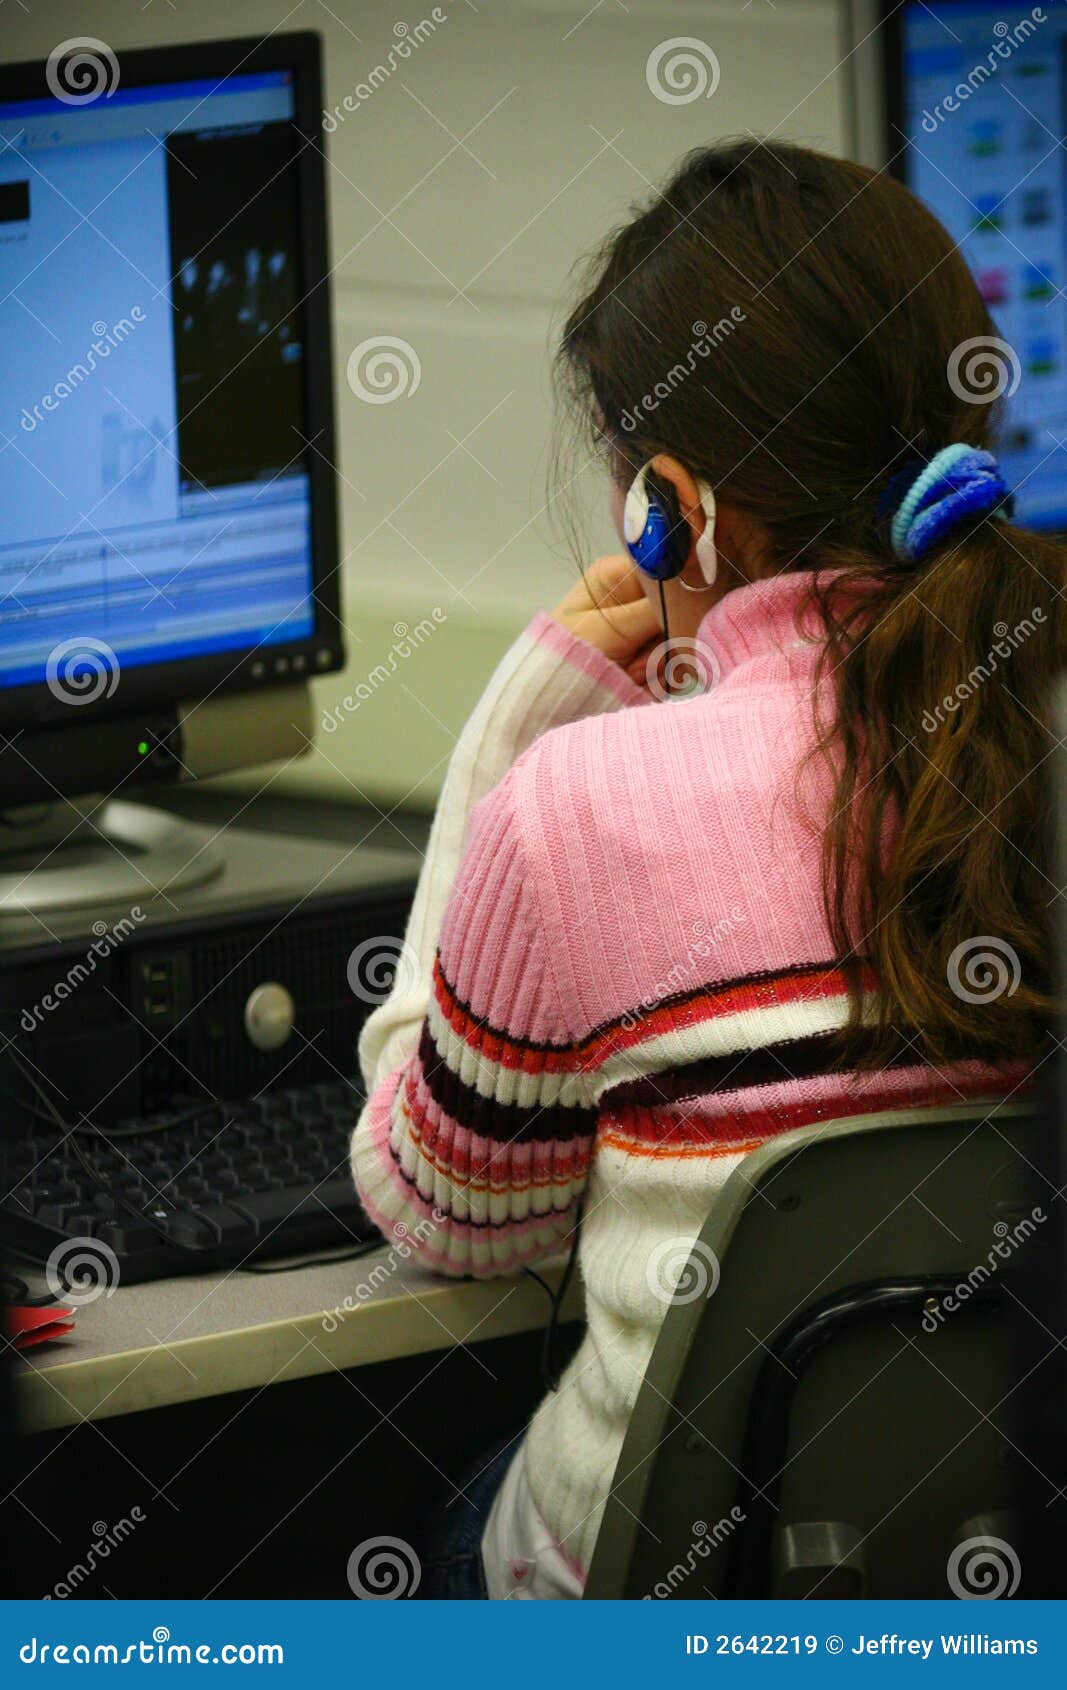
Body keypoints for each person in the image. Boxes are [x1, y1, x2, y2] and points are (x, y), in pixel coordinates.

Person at [350, 139, 1062, 1599]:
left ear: (672, 506)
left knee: (405, 1531)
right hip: (1015, 1552)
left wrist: (516, 726)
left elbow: (447, 1212)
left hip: (680, 1586)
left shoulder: (581, 803)